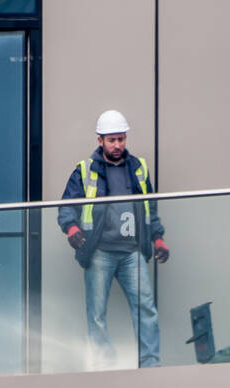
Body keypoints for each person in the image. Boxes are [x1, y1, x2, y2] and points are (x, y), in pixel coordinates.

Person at [58, 110, 170, 368]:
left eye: (121, 139)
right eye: (112, 140)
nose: (118, 145)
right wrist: (71, 229)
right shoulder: (85, 170)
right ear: (100, 141)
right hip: (100, 252)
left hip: (132, 252)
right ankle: (105, 366)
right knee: (96, 315)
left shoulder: (138, 168)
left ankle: (150, 364)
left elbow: (149, 209)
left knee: (146, 309)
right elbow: (66, 206)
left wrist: (158, 238)